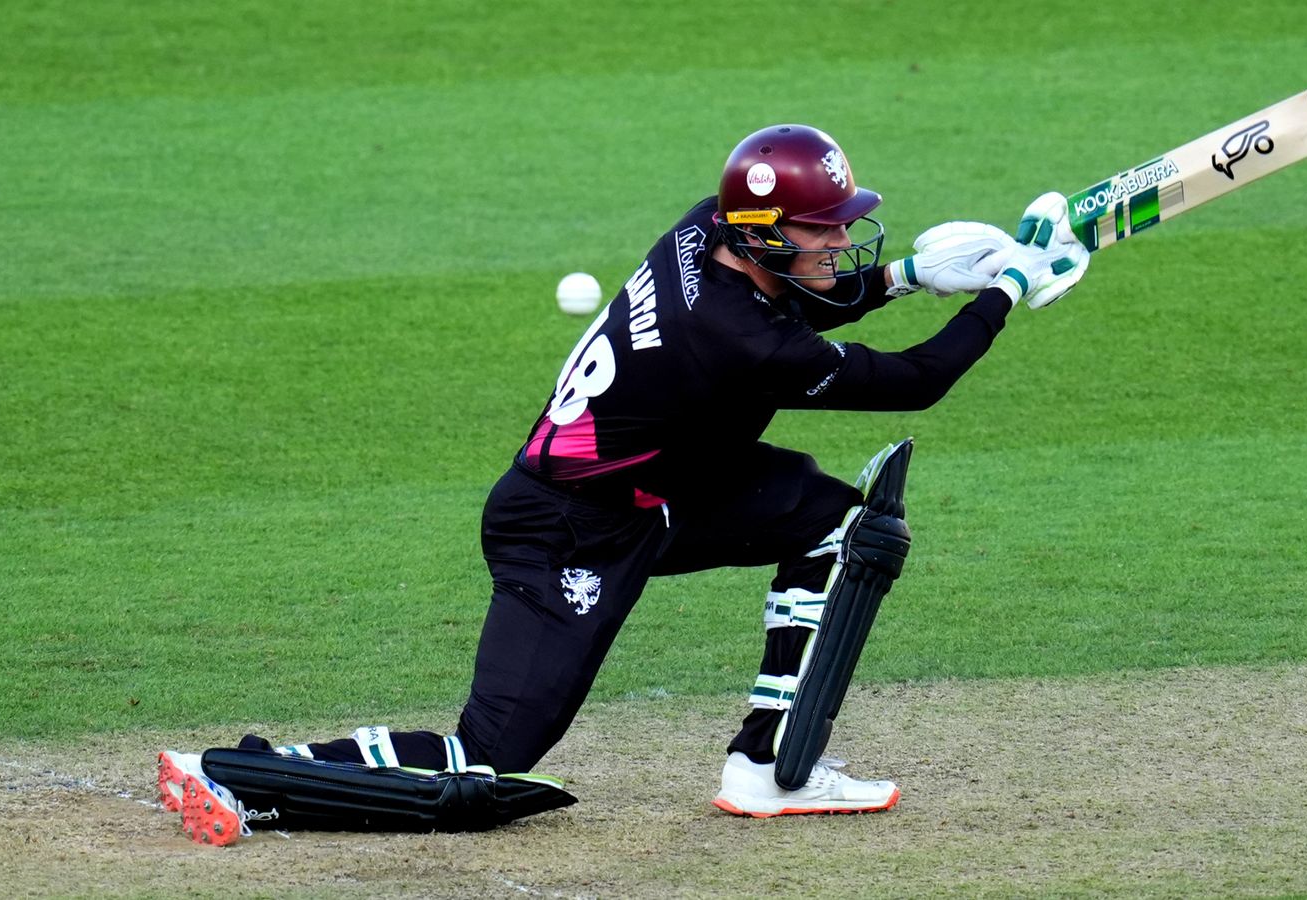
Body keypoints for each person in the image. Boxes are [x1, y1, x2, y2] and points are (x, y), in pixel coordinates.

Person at [158, 124, 1090, 844]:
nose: (839, 241)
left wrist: (909, 275)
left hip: (658, 494)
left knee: (836, 527)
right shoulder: (735, 340)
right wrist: (1004, 292)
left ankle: (769, 769)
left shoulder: (704, 230)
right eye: (824, 229)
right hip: (563, 529)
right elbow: (910, 383)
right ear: (761, 236)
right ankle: (249, 773)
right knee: (493, 754)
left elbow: (800, 297)